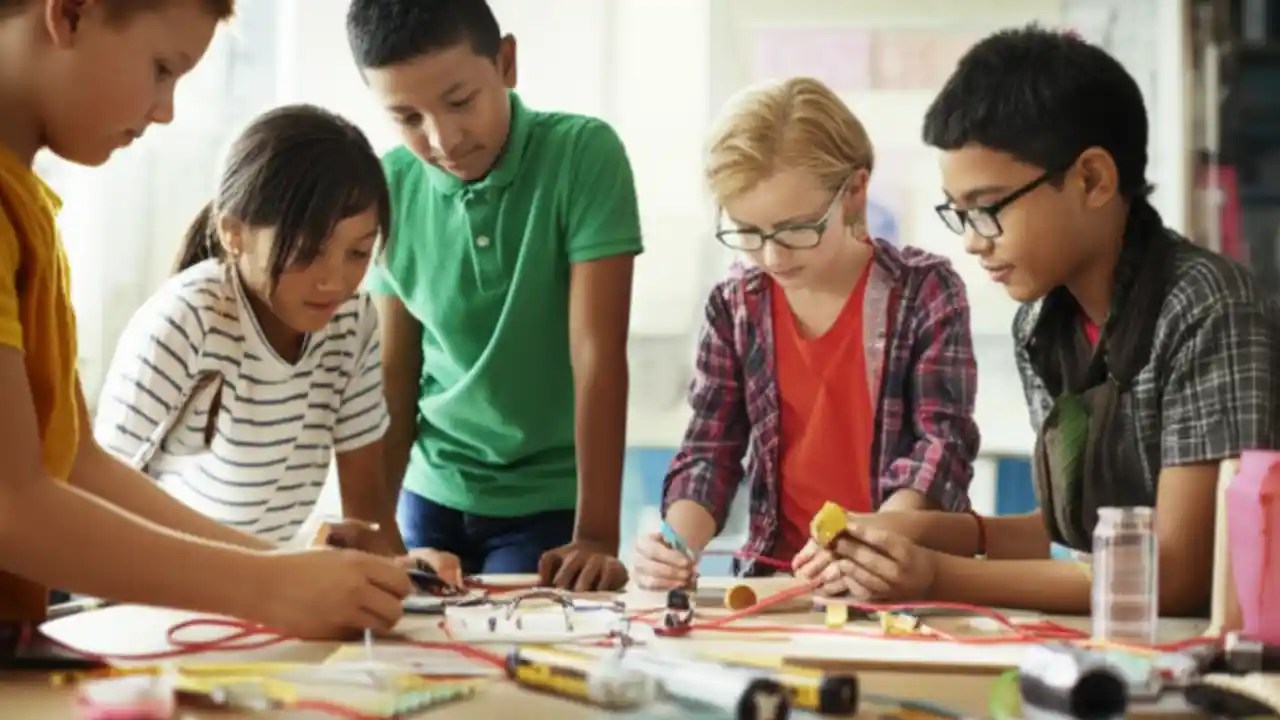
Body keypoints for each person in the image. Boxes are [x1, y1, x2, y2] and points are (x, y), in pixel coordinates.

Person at [797, 26, 1280, 614]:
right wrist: (902, 534)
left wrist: (937, 577)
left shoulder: (1204, 308)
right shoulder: (1043, 325)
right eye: (960, 214)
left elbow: (1179, 573)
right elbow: (1073, 535)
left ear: (1092, 180)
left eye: (989, 208)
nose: (973, 243)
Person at [0, 0, 410, 639]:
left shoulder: (26, 208)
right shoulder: (185, 313)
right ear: (70, 14)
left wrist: (284, 568)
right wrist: (268, 586)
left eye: (358, 252)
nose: (164, 110)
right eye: (162, 69)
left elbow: (79, 465)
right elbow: (11, 506)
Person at [633, 77, 980, 590]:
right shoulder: (736, 305)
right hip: (776, 583)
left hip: (899, 578)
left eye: (796, 229)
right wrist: (675, 547)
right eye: (747, 231)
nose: (772, 257)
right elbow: (711, 447)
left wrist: (870, 544)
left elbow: (941, 446)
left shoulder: (924, 293)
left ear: (855, 191)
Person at [93, 104, 461, 585]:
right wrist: (276, 572)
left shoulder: (352, 320)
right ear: (234, 233)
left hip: (269, 589)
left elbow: (370, 516)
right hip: (164, 589)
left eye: (357, 252)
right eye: (307, 249)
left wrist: (406, 572)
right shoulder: (188, 318)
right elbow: (98, 504)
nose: (334, 280)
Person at [345, 0, 640, 590]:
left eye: (460, 103)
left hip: (546, 507)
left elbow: (597, 356)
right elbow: (396, 376)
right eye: (407, 116)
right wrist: (376, 529)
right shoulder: (391, 184)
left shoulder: (583, 155)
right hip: (429, 494)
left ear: (506, 63)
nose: (442, 139)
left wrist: (598, 536)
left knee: (523, 647)